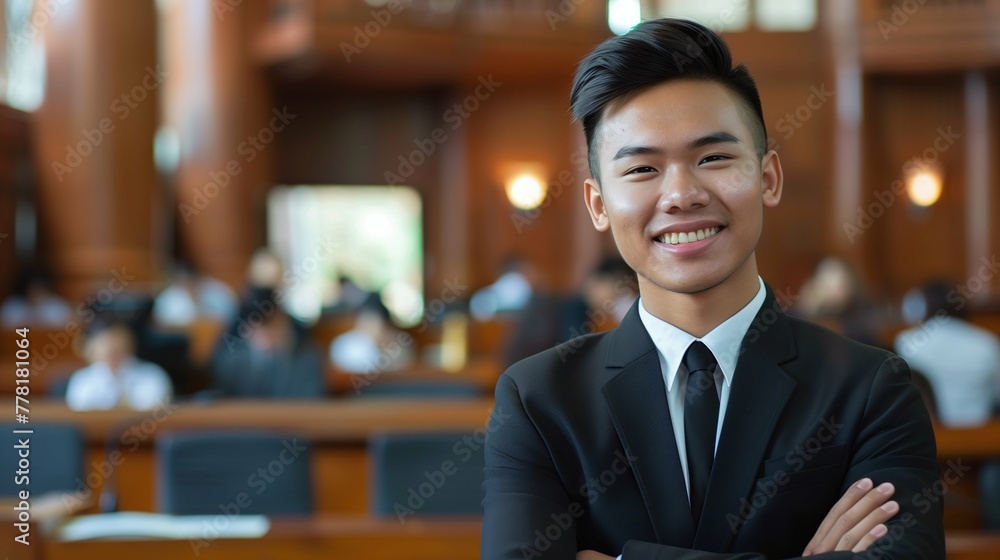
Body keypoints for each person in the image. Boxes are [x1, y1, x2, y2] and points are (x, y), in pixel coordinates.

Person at [481, 19, 943, 560]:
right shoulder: (538, 399)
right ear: (598, 204)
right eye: (642, 169)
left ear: (768, 177)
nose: (680, 195)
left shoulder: (870, 390)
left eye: (713, 158)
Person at [894, 281, 1000, 427]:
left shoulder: (906, 341)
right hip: (981, 436)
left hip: (928, 435)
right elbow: (997, 395)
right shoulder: (986, 342)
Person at [210, 288, 325, 398]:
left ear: (284, 320)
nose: (266, 335)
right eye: (256, 328)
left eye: (270, 324)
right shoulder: (230, 363)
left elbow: (311, 405)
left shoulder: (308, 358)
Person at [65, 322, 173, 410]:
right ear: (91, 347)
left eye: (117, 340)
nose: (112, 346)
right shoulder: (81, 379)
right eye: (105, 342)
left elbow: (153, 418)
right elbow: (78, 417)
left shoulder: (153, 376)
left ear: (130, 343)